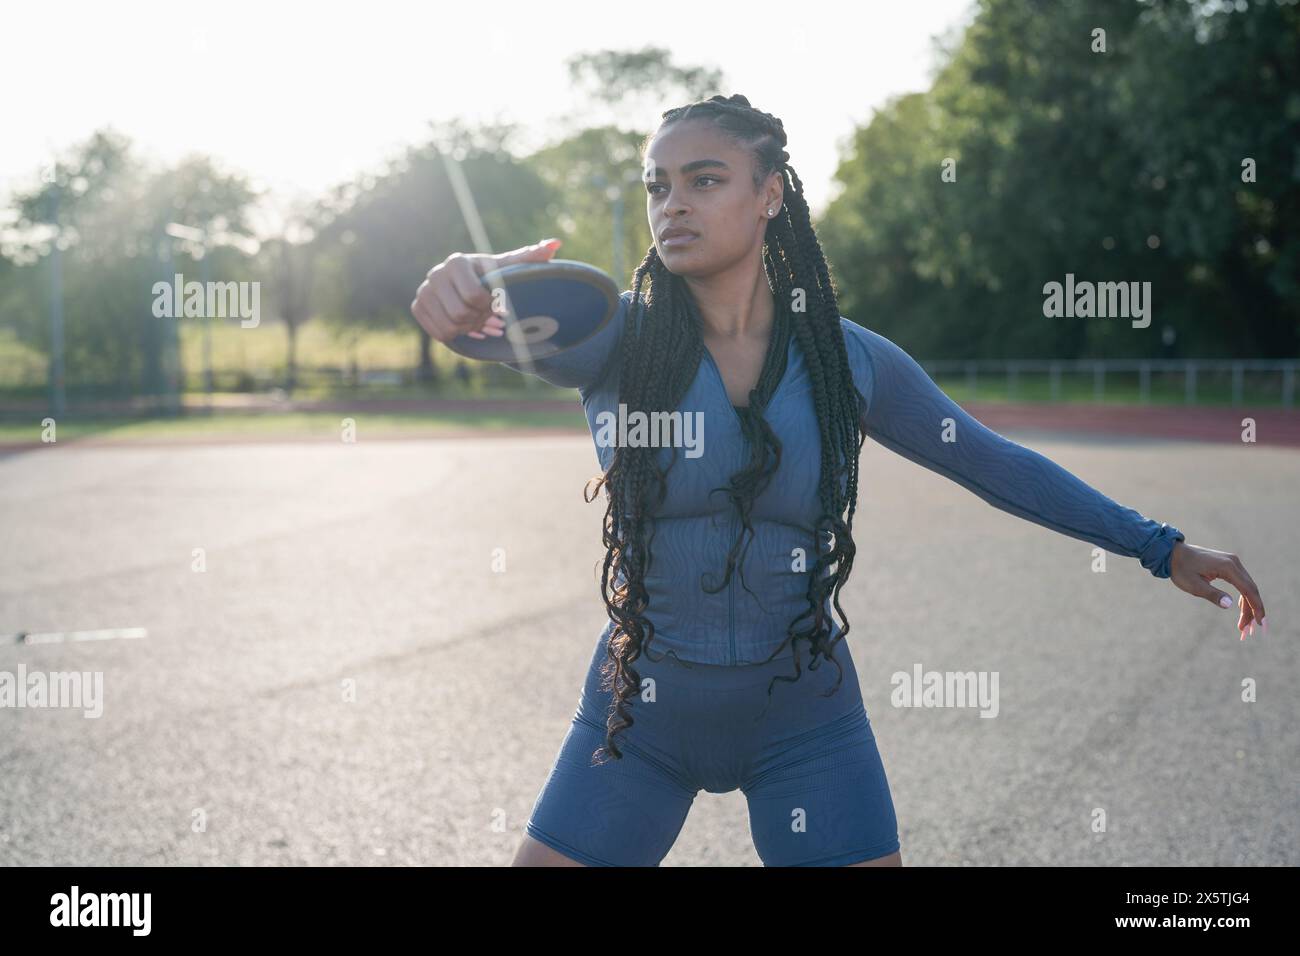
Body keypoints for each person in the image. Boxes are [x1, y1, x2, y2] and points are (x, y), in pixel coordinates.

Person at [409, 94, 1267, 867]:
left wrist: (1163, 547)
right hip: (639, 718)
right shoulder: (612, 339)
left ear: (770, 193)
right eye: (657, 185)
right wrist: (462, 285)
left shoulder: (847, 361)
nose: (673, 203)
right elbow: (481, 323)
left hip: (804, 722)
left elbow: (995, 464)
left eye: (704, 180)